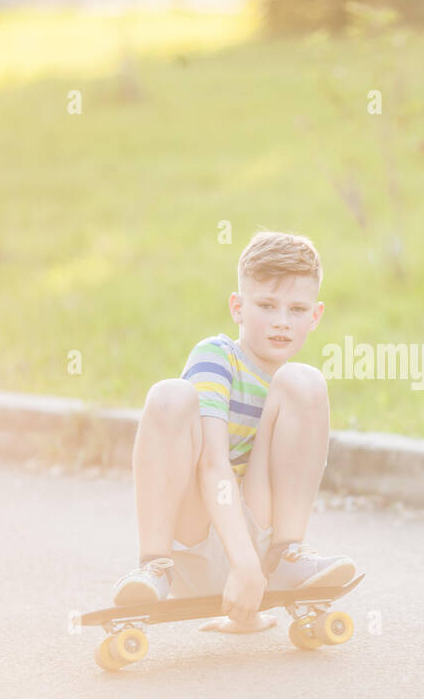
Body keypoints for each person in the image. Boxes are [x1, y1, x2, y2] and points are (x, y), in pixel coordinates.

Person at [110, 230, 356, 631]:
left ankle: (287, 557)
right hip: (198, 541)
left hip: (260, 551)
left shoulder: (292, 388)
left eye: (296, 309)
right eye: (266, 305)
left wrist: (253, 568)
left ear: (315, 316)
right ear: (238, 307)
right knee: (171, 395)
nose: (281, 322)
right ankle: (153, 566)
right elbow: (212, 464)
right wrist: (241, 564)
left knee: (305, 380)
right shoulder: (217, 356)